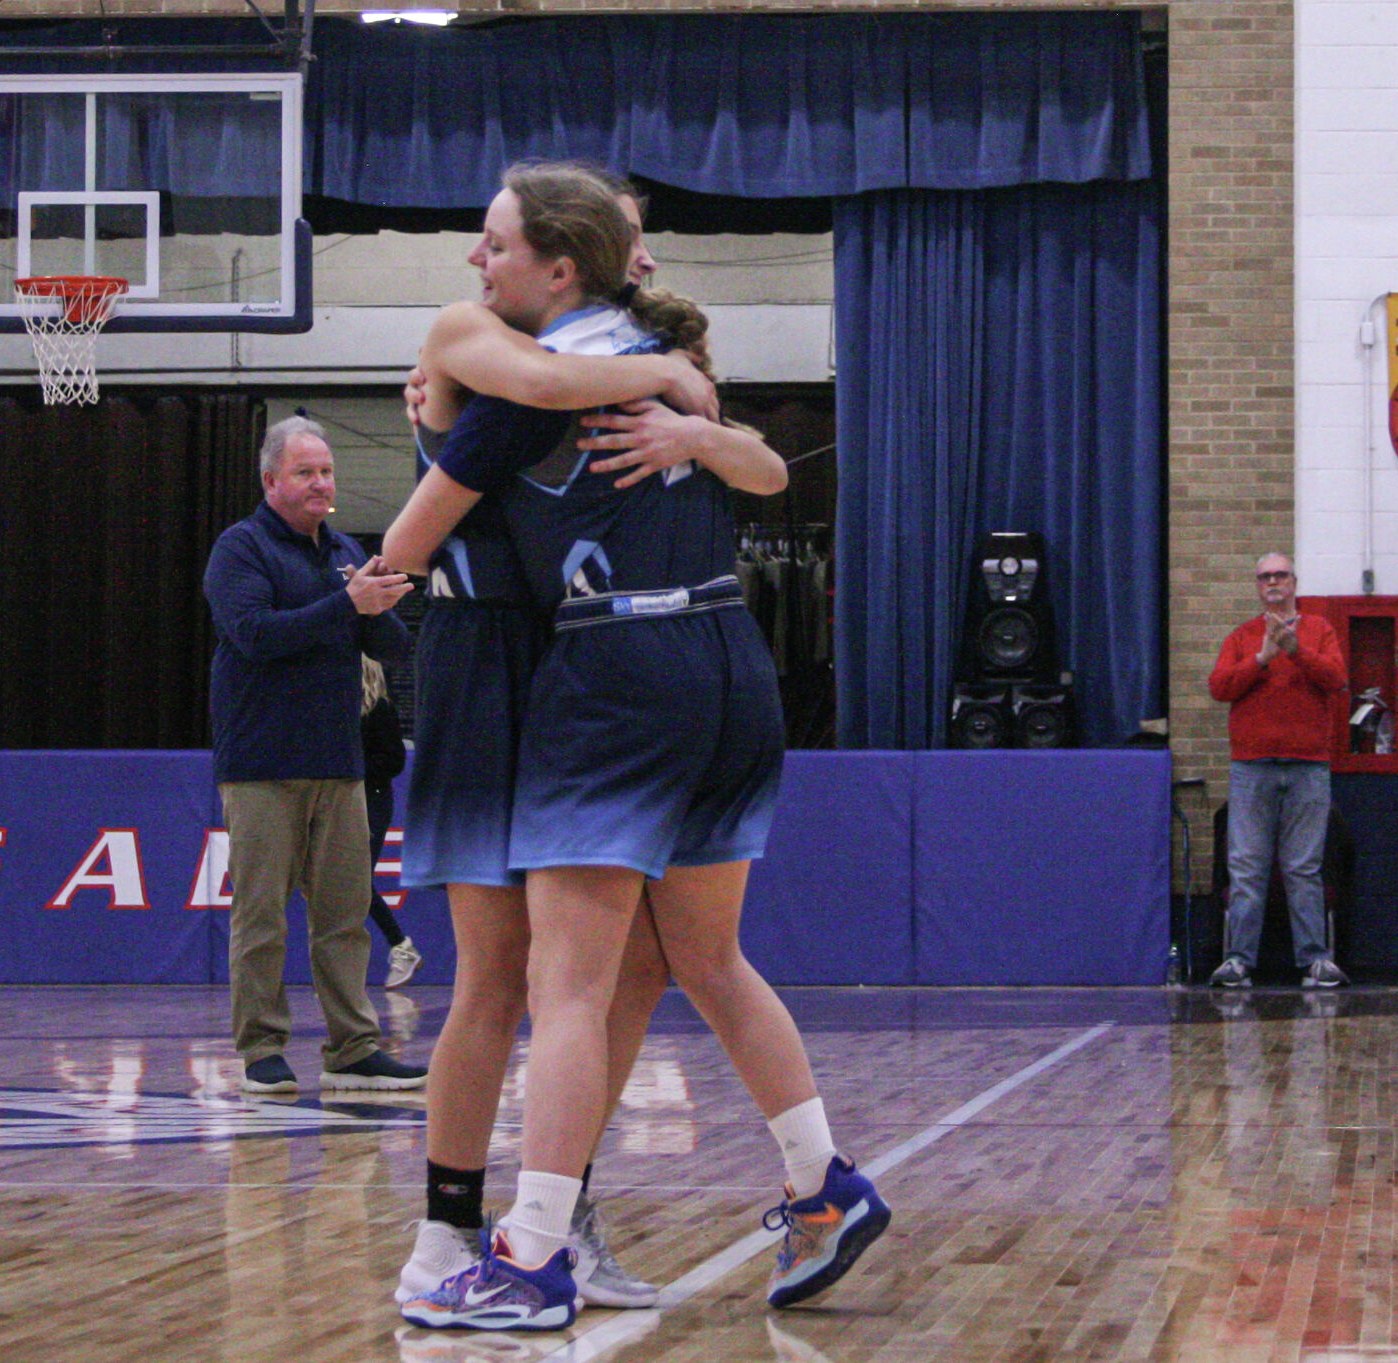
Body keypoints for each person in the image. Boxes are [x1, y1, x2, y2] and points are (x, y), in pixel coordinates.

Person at [390, 163, 888, 1333]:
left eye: (494, 241)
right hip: (729, 661)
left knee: (558, 985)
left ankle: (521, 1251)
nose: (477, 260)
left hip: (609, 666)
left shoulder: (525, 381)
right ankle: (820, 1183)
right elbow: (771, 469)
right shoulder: (660, 368)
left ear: (563, 264)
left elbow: (416, 536)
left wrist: (373, 584)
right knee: (697, 960)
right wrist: (694, 416)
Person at [387, 174, 726, 1315]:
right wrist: (670, 373)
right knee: (497, 976)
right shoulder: (481, 343)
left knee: (611, 968)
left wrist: (686, 406)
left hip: (574, 663)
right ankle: (443, 1238)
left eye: (491, 243)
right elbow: (520, 405)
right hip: (484, 661)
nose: (473, 261)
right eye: (482, 241)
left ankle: (554, 1221)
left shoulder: (576, 360)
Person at [205, 414, 426, 1095]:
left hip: (340, 759)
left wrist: (380, 601)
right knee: (262, 915)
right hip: (263, 762)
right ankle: (261, 1049)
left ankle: (354, 1045)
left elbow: (390, 646)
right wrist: (346, 603)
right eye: (305, 472)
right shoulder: (240, 549)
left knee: (343, 913)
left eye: (327, 472)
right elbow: (253, 634)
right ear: (272, 480)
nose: (320, 484)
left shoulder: (341, 551)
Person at [1206, 551, 1352, 989]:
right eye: (1265, 577)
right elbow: (1219, 687)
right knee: (1247, 866)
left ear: (1294, 582)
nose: (1273, 582)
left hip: (1308, 767)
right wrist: (1262, 658)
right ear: (1257, 586)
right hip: (1252, 767)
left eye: (1281, 575)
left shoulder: (1320, 631)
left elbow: (1336, 680)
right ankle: (1238, 962)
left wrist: (1295, 650)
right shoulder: (1242, 636)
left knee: (1303, 868)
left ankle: (1313, 961)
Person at [359, 656, 422, 989]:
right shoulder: (335, 712)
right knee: (335, 883)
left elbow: (394, 760)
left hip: (371, 800)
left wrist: (356, 768)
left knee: (355, 881)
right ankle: (397, 947)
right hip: (341, 800)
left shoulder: (378, 710)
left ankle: (401, 945)